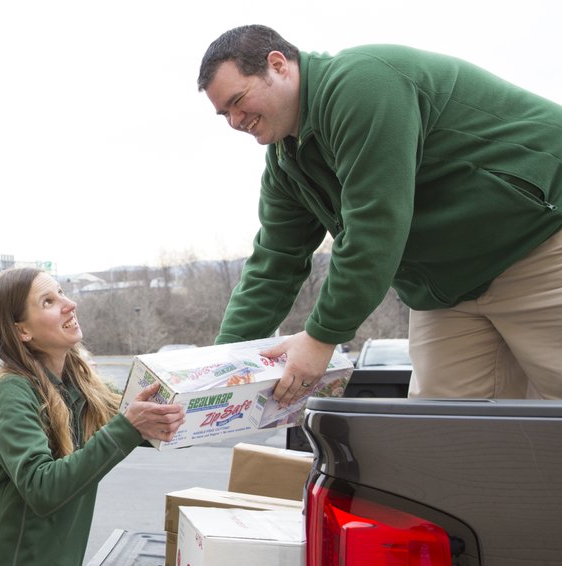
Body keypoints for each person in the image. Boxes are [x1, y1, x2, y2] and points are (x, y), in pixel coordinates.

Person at [197, 24, 562, 404]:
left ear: (278, 65)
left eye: (238, 100)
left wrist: (321, 337)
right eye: (224, 114)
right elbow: (274, 263)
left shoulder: (363, 84)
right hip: (446, 290)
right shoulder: (287, 163)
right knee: (451, 436)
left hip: (538, 244)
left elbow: (375, 227)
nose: (236, 121)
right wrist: (221, 368)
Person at [0, 267, 186, 566]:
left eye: (63, 293)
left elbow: (139, 424)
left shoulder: (81, 383)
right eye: (48, 302)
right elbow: (43, 488)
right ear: (22, 332)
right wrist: (127, 427)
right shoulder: (12, 390)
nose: (70, 303)